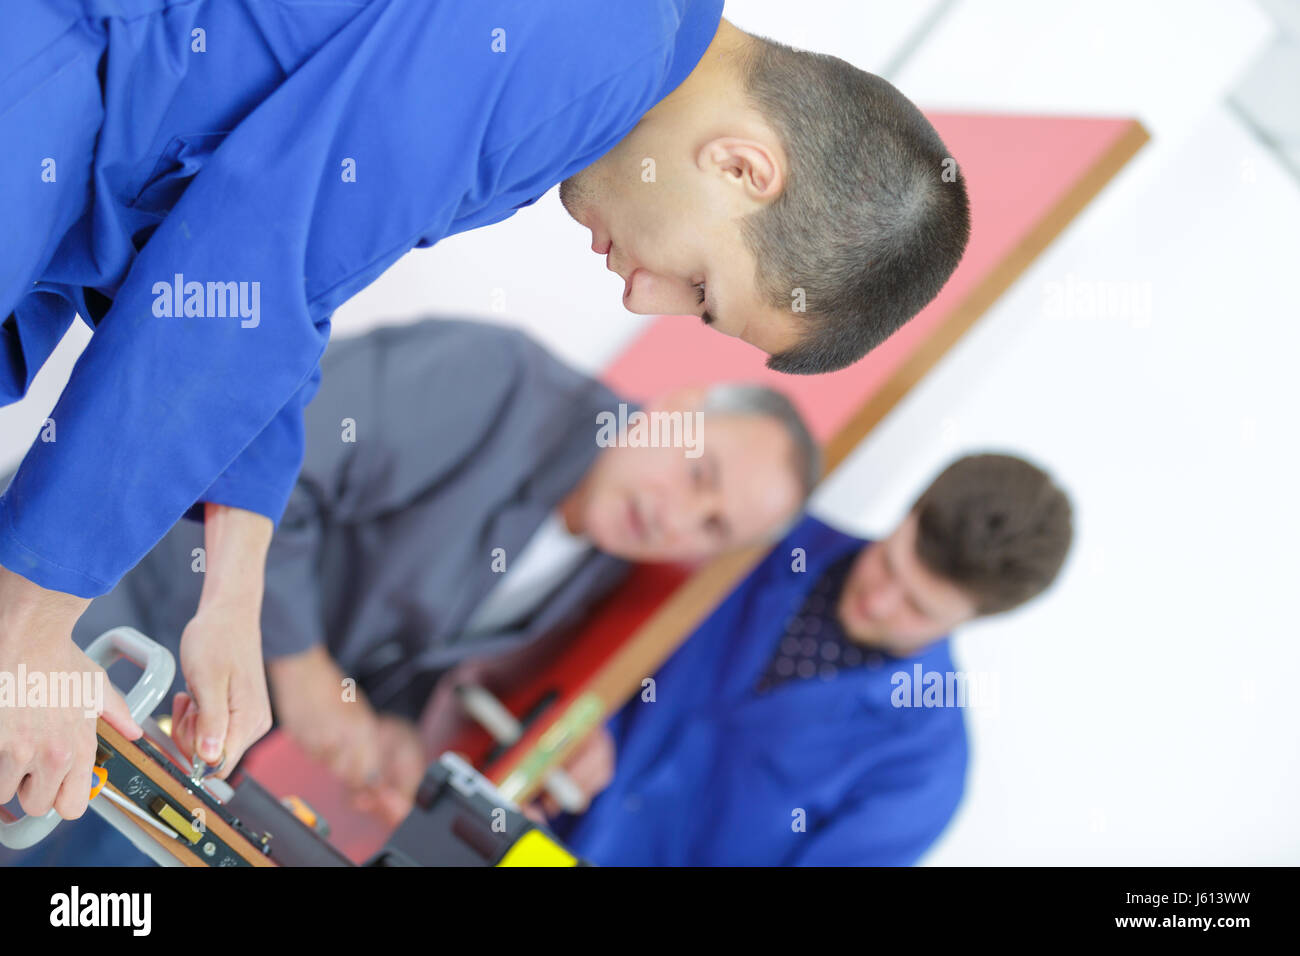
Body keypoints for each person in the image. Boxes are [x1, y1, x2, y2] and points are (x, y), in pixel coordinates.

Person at [1, 0, 970, 824]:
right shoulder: (590, 44)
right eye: (701, 288)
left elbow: (299, 283)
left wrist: (234, 592)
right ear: (743, 169)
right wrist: (31, 629)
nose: (644, 300)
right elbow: (261, 257)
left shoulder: (612, 57)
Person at [0, 316, 817, 864]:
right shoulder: (493, 378)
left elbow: (406, 627)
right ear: (675, 408)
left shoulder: (601, 563)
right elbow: (261, 459)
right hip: (87, 608)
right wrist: (306, 670)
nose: (676, 517)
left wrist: (390, 731)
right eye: (696, 471)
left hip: (177, 749)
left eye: (711, 527)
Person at [434, 454, 1073, 865]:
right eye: (891, 562)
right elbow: (552, 625)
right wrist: (583, 717)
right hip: (468, 826)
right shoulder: (751, 533)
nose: (878, 599)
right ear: (908, 513)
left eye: (917, 608)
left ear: (973, 620)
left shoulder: (921, 772)